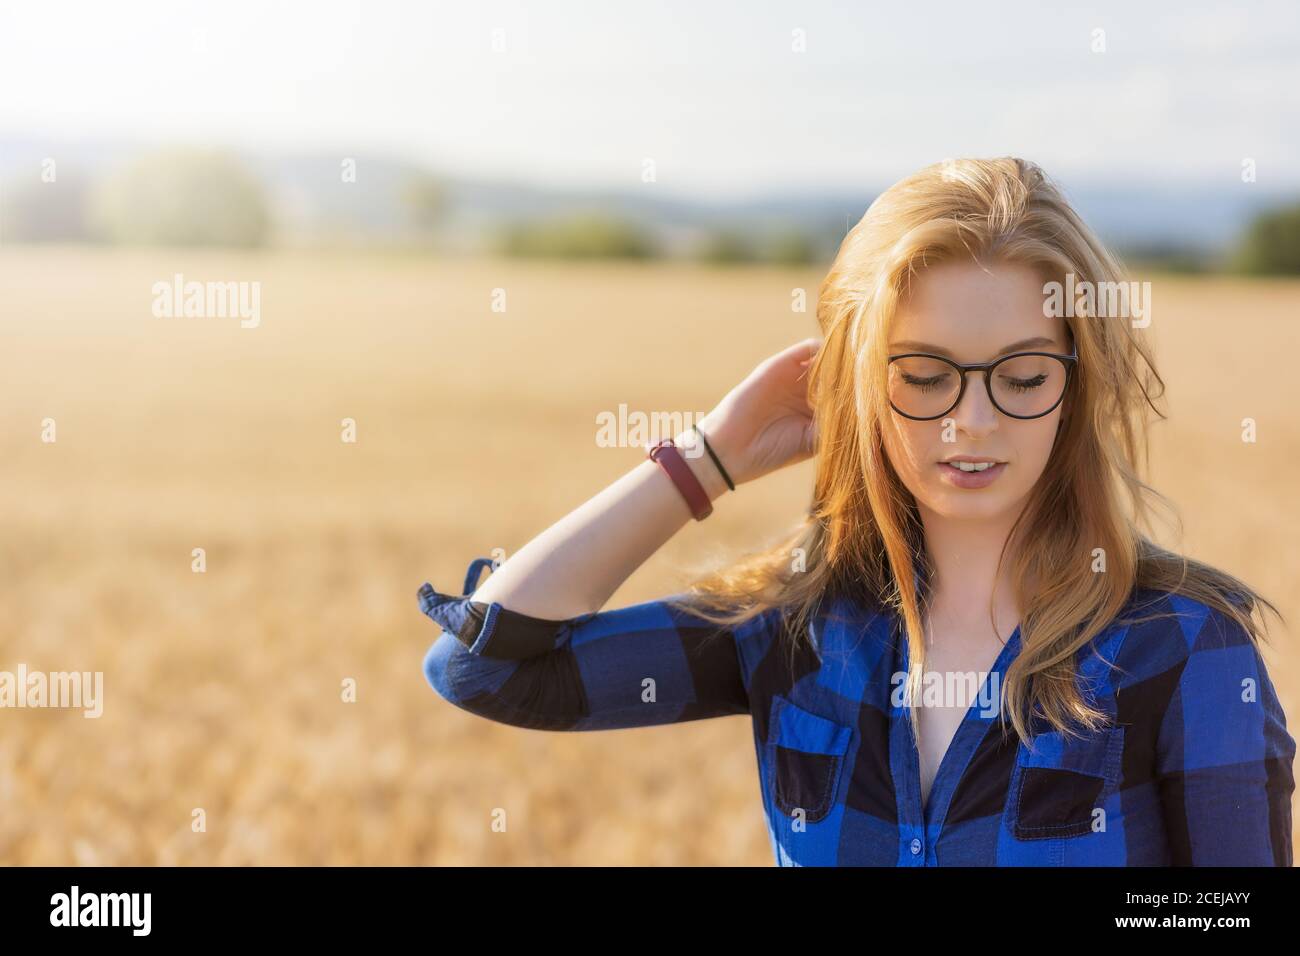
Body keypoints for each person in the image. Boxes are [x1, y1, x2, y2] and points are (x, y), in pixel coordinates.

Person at [418, 156, 1295, 866]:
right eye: (922, 376)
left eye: (1023, 376)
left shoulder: (1184, 649)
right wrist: (705, 461)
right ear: (860, 388)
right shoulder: (797, 628)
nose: (973, 421)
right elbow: (487, 667)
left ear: (1076, 383)